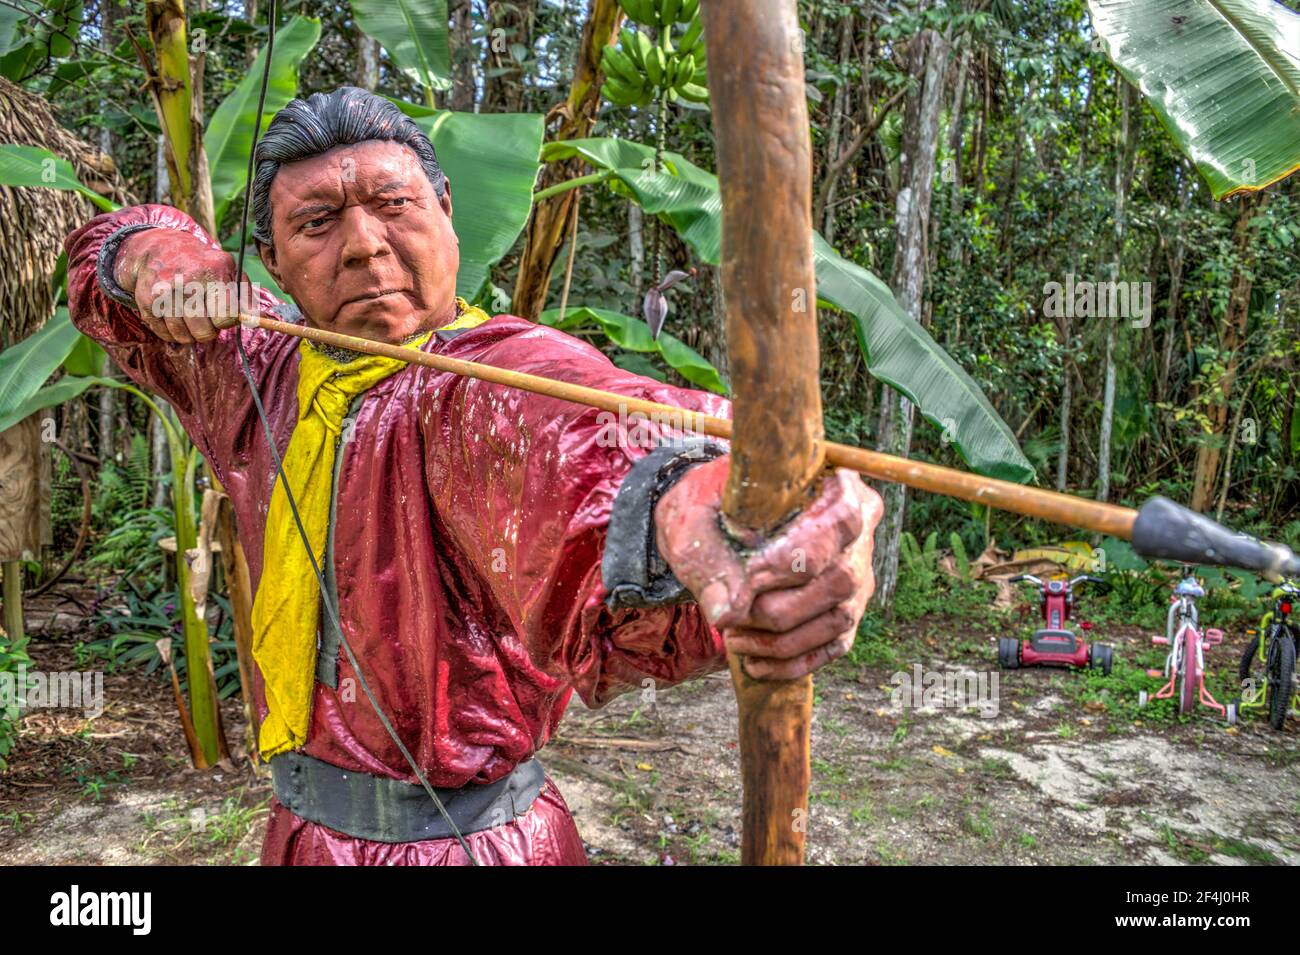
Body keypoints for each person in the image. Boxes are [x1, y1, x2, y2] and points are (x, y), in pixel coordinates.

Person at [65, 86, 882, 865]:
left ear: (448, 217)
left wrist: (712, 507)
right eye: (315, 222)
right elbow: (97, 260)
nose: (363, 245)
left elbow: (596, 440)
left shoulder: (485, 382)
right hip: (302, 832)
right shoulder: (258, 368)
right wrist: (149, 255)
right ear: (272, 263)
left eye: (395, 206)